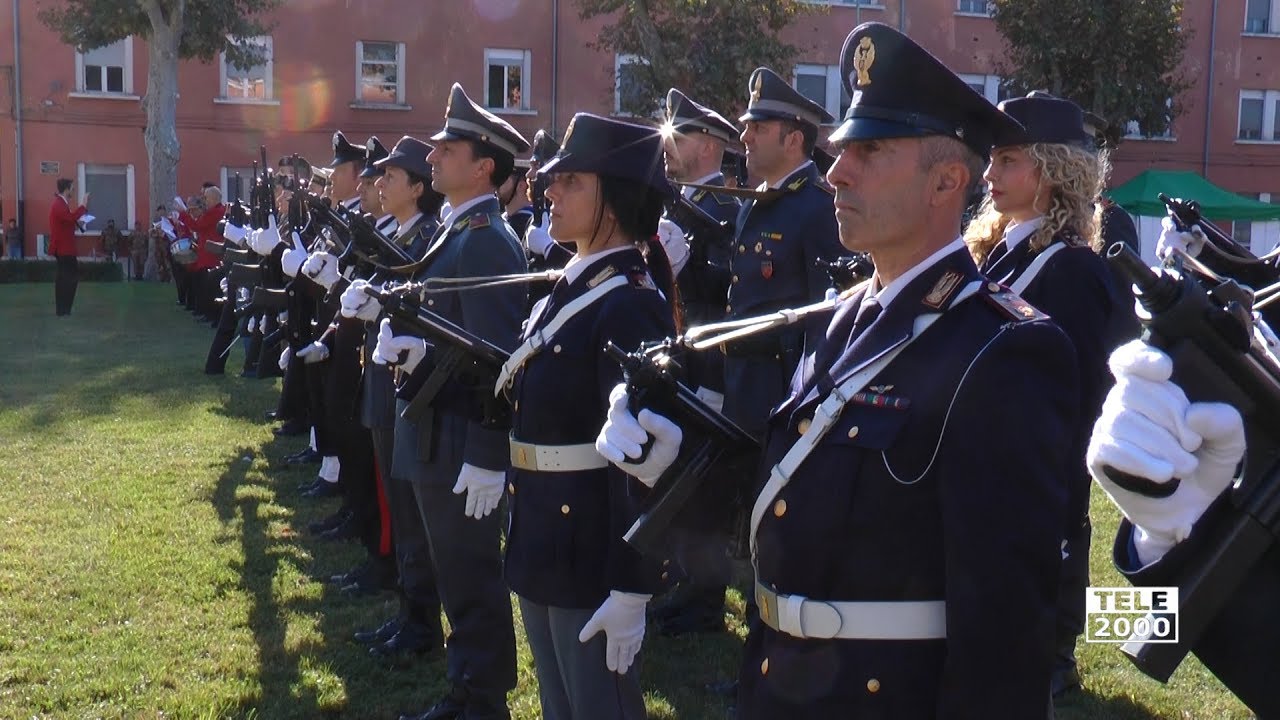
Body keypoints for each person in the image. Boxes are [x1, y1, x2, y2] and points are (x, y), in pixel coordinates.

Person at [597, 21, 1080, 717]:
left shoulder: (1002, 349)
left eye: (870, 151)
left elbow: (1005, 628)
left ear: (947, 180)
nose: (835, 172)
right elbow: (797, 503)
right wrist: (678, 465)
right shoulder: (840, 318)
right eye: (844, 148)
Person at [499, 113, 676, 720]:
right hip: (544, 536)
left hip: (589, 554)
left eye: (571, 180)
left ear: (616, 196)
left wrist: (631, 584)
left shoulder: (629, 303)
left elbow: (641, 464)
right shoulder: (572, 287)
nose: (549, 189)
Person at [963, 91, 1139, 697]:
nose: (989, 174)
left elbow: (1084, 388)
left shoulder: (1073, 269)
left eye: (1008, 160)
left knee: (1041, 558)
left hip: (1039, 460)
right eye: (992, 160)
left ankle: (1056, 651)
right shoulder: (998, 251)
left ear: (1052, 169)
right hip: (990, 453)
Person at [367, 83, 530, 720]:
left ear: (484, 166)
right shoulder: (457, 231)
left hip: (462, 439)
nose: (432, 157)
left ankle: (482, 699)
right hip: (434, 429)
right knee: (452, 571)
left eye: (447, 150)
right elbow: (451, 336)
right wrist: (412, 348)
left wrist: (489, 454)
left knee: (470, 577)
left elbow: (498, 361)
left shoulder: (485, 238)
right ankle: (466, 688)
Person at [651, 86, 743, 637]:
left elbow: (732, 294)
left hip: (709, 364)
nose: (669, 147)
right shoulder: (679, 204)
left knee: (702, 487)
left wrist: (689, 269)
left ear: (708, 146)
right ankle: (684, 578)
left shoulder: (726, 208)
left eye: (679, 137)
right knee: (676, 475)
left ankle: (705, 596)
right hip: (679, 359)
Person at [49, 178, 88, 316]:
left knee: (65, 279)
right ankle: (64, 310)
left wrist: (80, 224)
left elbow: (68, 222)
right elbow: (70, 218)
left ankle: (63, 310)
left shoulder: (61, 204)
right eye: (72, 188)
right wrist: (83, 205)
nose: (73, 191)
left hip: (64, 248)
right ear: (66, 189)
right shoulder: (59, 204)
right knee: (69, 279)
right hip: (64, 249)